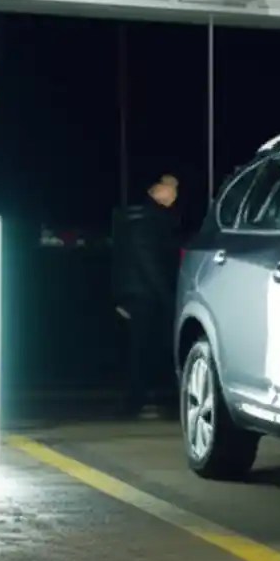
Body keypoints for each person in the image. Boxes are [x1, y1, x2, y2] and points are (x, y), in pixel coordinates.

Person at [113, 174, 181, 419]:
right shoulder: (150, 221)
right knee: (143, 350)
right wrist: (167, 297)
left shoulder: (145, 219)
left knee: (143, 349)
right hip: (145, 295)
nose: (174, 193)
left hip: (139, 293)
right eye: (169, 188)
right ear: (155, 190)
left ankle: (139, 399)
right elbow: (151, 263)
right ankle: (135, 401)